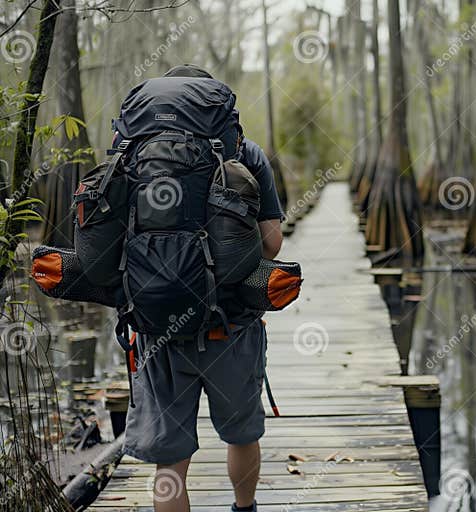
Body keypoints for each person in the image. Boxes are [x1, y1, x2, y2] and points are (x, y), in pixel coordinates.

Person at [122, 64, 284, 512]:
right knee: (242, 433)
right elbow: (271, 244)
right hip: (231, 327)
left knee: (170, 461)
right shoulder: (245, 153)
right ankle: (244, 509)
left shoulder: (132, 156)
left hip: (157, 330)